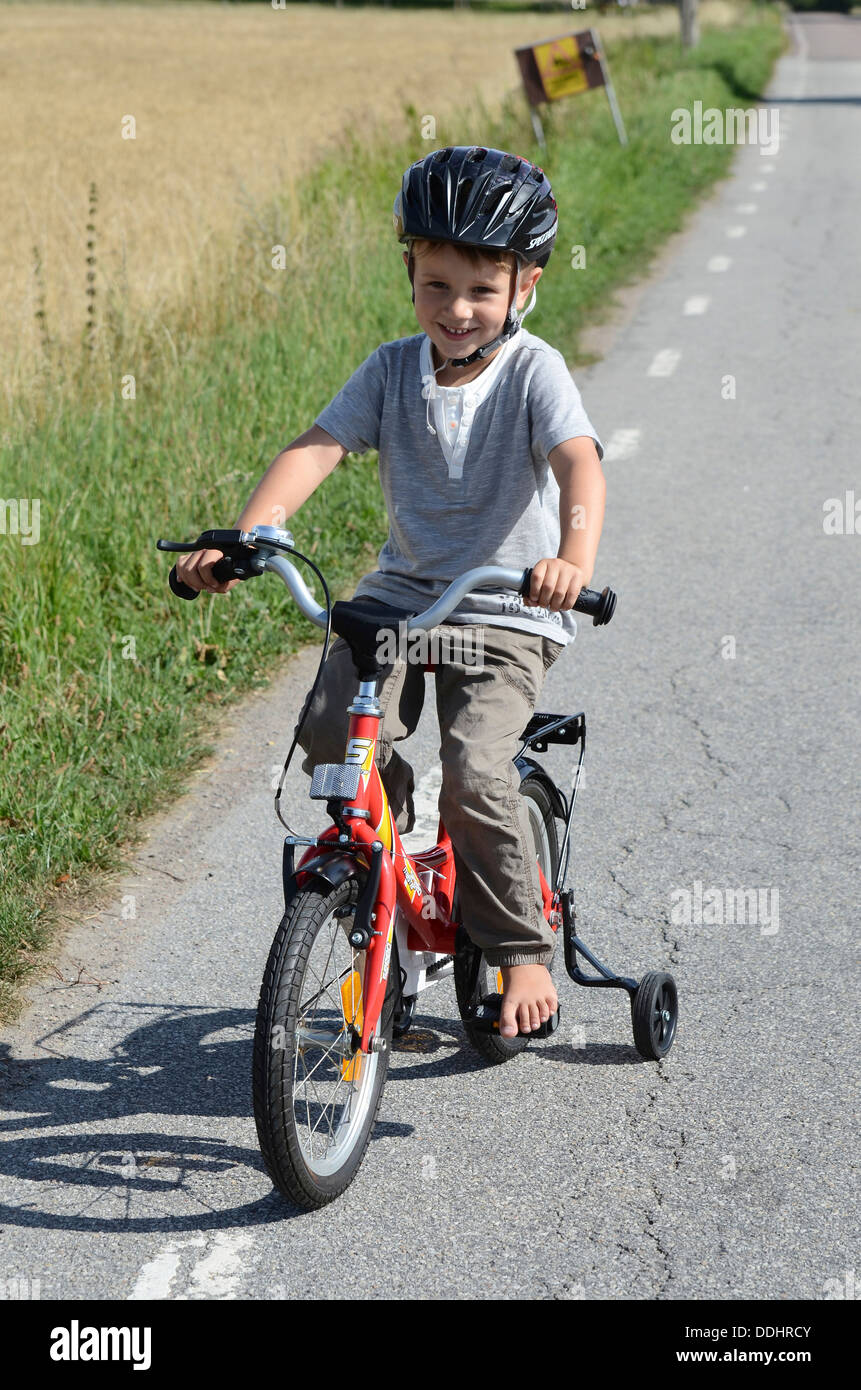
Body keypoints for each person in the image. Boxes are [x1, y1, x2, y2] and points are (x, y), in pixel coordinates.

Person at [177, 145, 605, 1039]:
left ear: (524, 286)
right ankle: (394, 844)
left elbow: (578, 466)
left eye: (480, 291)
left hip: (502, 610)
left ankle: (520, 949)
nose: (455, 310)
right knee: (334, 731)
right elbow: (316, 447)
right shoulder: (388, 369)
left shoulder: (534, 373)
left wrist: (570, 560)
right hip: (402, 601)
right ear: (410, 271)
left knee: (478, 766)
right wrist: (250, 535)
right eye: (435, 284)